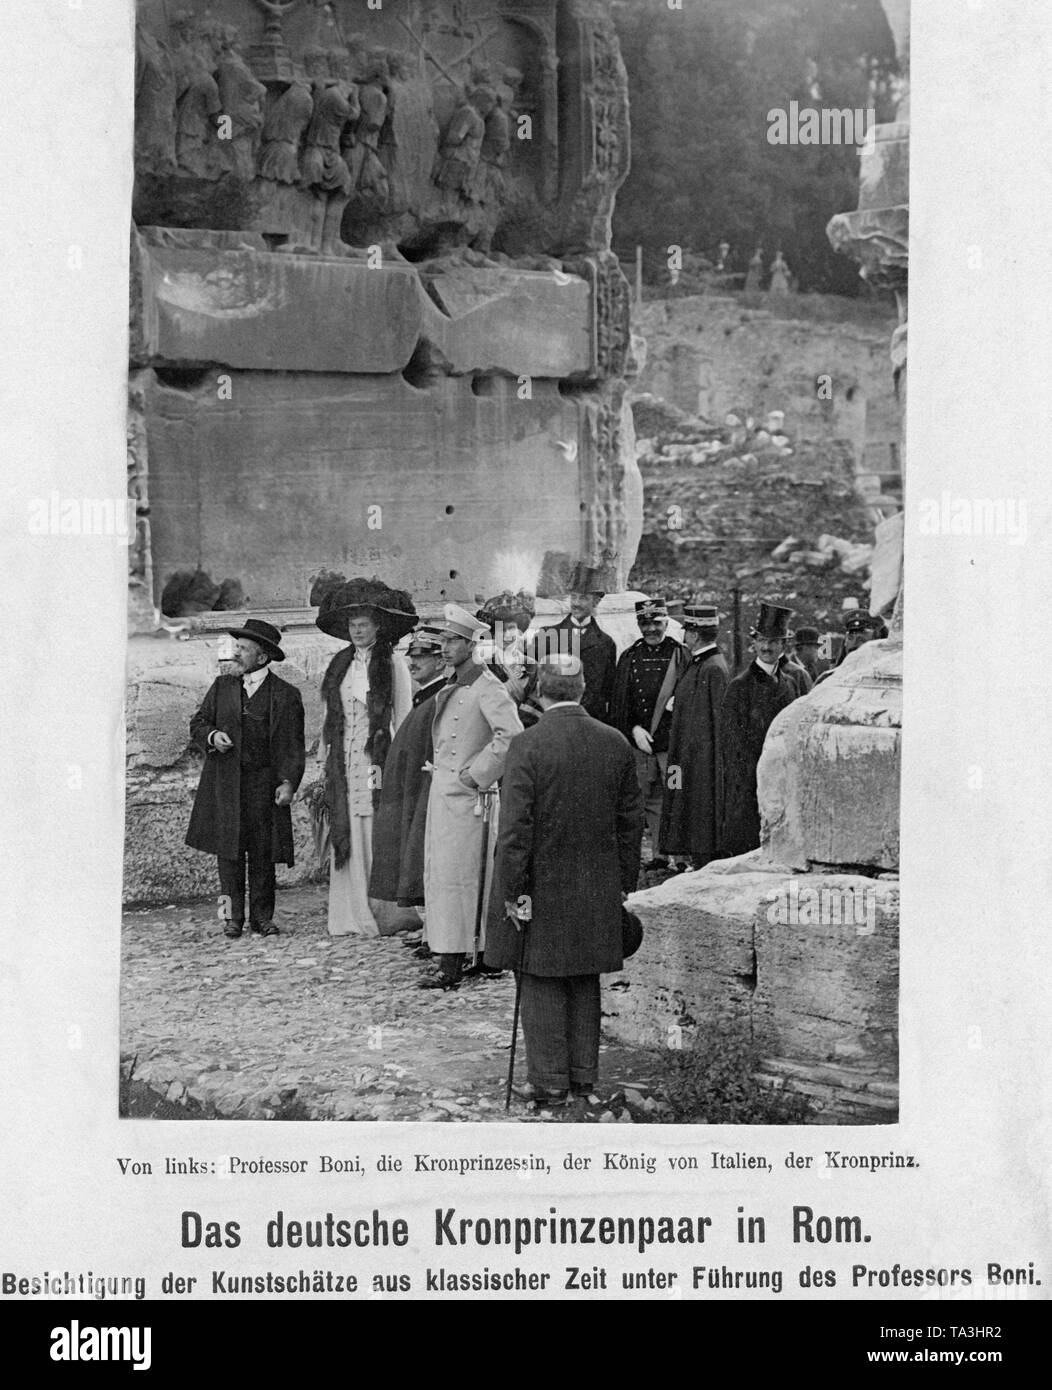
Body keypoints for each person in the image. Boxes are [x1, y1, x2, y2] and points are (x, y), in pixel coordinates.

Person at [485, 656, 644, 1108]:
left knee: (539, 978)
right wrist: (622, 883)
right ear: (583, 688)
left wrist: (514, 892)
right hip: (597, 882)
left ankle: (550, 1081)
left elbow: (515, 829)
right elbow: (631, 821)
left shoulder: (528, 745)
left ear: (541, 692)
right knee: (583, 977)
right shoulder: (613, 742)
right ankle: (583, 1078)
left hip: (542, 882)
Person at [421, 604, 523, 990]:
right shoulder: (453, 684)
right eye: (444, 640)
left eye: (453, 641)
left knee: (465, 878)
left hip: (470, 800)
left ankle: (461, 960)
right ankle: (461, 951)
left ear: (472, 645)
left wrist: (476, 775)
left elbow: (511, 735)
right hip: (444, 795)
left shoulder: (487, 687)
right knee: (445, 876)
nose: (445, 648)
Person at [185, 619, 305, 938]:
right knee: (229, 854)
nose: (236, 654)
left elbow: (293, 747)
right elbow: (198, 723)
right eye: (236, 648)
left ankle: (262, 918)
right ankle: (231, 917)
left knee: (263, 854)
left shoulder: (286, 695)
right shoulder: (222, 687)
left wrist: (288, 782)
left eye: (243, 649)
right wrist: (212, 735)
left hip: (264, 788)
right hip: (227, 786)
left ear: (262, 657)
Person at [315, 577, 416, 937]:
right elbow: (330, 716)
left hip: (378, 759)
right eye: (352, 625)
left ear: (377, 627)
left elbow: (402, 718)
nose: (357, 631)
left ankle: (381, 911)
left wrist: (400, 764)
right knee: (347, 825)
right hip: (344, 758)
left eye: (363, 625)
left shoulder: (393, 666)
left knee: (375, 826)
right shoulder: (339, 665)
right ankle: (349, 913)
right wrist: (323, 756)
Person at [368, 627, 447, 945]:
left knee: (427, 863)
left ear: (441, 662)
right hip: (412, 793)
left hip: (426, 794)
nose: (414, 663)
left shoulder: (440, 699)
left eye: (423, 657)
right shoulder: (425, 697)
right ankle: (431, 931)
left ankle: (437, 934)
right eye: (411, 656)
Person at [610, 597, 688, 870]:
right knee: (651, 798)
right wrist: (633, 730)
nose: (651, 629)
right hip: (642, 744)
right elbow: (621, 702)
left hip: (672, 744)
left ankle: (680, 855)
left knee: (676, 793)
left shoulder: (681, 654)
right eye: (645, 623)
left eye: (656, 622)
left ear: (666, 622)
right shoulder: (630, 657)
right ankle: (658, 854)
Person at [719, 602, 800, 858]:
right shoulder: (739, 687)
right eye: (762, 640)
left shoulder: (789, 684)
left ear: (783, 646)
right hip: (748, 787)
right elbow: (731, 744)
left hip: (781, 782)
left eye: (773, 641)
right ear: (754, 642)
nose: (766, 647)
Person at [658, 604, 730, 873]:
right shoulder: (700, 663)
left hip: (700, 763)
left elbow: (718, 723)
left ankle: (702, 866)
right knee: (681, 800)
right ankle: (693, 860)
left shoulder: (712, 668)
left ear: (696, 635)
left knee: (699, 814)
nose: (684, 635)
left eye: (687, 630)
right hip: (686, 758)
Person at [533, 564, 617, 722]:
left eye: (583, 598)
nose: (576, 603)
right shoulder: (547, 635)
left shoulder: (606, 643)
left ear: (596, 602)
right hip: (553, 721)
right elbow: (534, 682)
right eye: (574, 597)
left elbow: (608, 691)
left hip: (590, 723)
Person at [477, 591, 542, 727]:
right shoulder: (483, 665)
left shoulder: (531, 666)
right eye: (502, 630)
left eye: (511, 628)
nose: (507, 635)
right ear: (493, 633)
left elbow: (536, 704)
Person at [814, 609, 888, 685]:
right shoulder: (828, 679)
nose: (855, 642)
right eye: (851, 637)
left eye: (861, 639)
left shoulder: (886, 679)